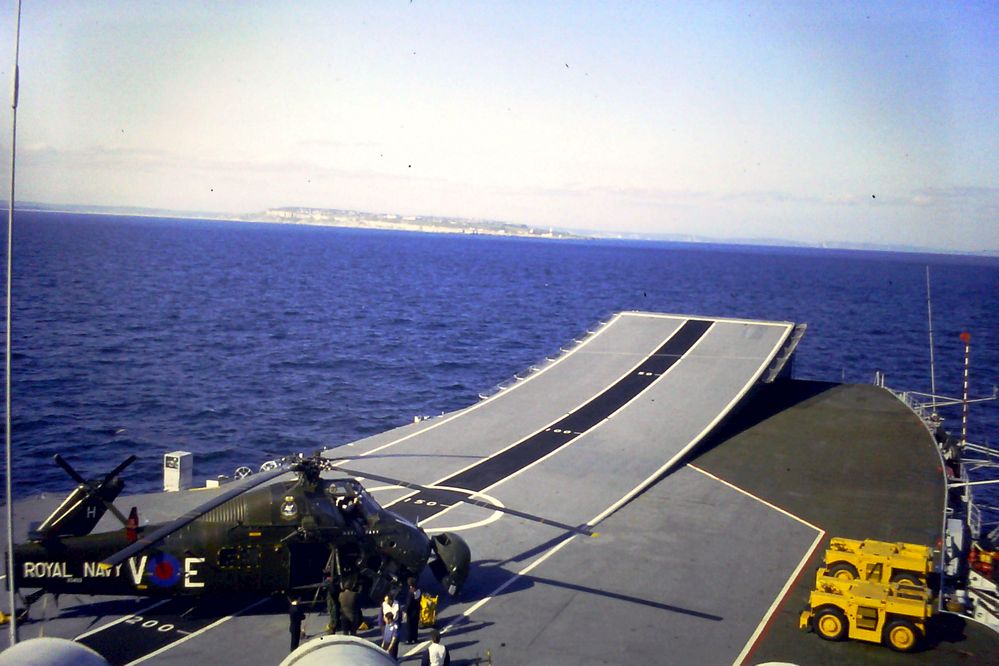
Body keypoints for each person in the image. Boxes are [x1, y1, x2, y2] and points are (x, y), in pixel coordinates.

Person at [404, 578, 422, 644]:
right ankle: (415, 638)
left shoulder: (411, 592)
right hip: (417, 610)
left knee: (409, 626)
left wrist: (405, 611)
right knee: (415, 625)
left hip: (411, 611)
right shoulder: (418, 590)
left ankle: (409, 639)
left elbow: (409, 603)